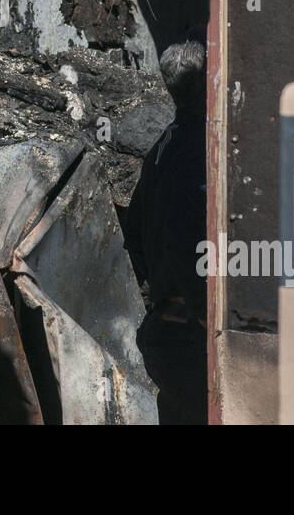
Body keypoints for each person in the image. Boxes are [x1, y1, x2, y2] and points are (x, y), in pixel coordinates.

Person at [124, 29, 208, 424]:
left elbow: (134, 236)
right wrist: (201, 310)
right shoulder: (201, 150)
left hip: (166, 333)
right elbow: (183, 236)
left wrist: (163, 293)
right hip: (191, 338)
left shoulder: (161, 148)